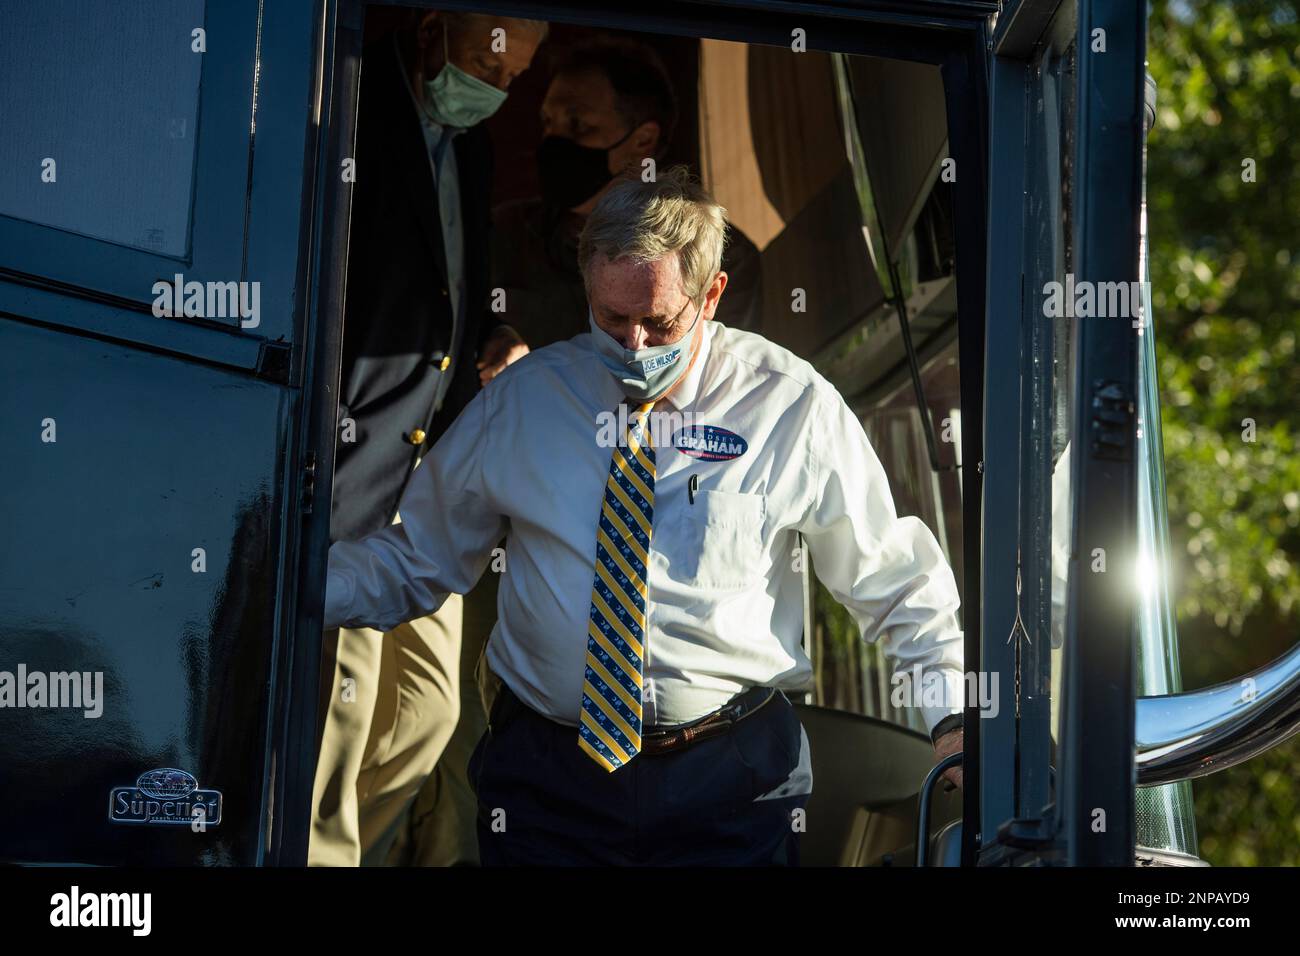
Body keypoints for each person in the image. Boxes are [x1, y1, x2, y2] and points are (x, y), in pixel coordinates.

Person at [324, 167, 965, 866]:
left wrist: (956, 716)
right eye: (610, 317)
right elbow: (417, 558)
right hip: (547, 779)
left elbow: (893, 576)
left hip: (732, 782)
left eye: (659, 323)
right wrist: (292, 583)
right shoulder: (523, 405)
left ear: (712, 293)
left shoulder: (790, 407)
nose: (632, 345)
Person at [309, 10, 544, 867]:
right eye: (493, 62)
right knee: (339, 712)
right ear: (435, 28)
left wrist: (496, 337)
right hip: (350, 468)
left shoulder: (471, 150)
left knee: (427, 714)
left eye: (516, 77)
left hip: (433, 483)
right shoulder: (346, 100)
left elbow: (461, 294)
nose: (500, 88)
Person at [491, 36, 764, 352]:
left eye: (578, 125)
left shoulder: (719, 255)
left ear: (643, 141)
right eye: (548, 123)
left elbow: (718, 380)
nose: (554, 142)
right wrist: (496, 338)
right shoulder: (506, 236)